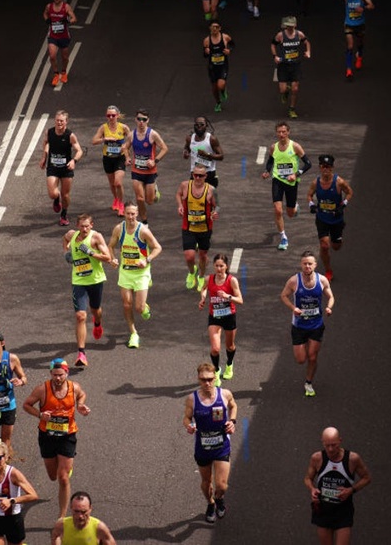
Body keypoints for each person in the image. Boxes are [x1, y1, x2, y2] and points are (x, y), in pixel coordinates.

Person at [22, 358, 92, 518]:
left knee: (63, 478)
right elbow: (26, 405)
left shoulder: (74, 387)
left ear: (67, 373)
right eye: (55, 375)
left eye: (61, 375)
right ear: (50, 374)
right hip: (47, 436)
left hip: (68, 435)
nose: (58, 378)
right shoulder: (42, 389)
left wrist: (80, 405)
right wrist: (40, 415)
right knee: (53, 476)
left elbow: (82, 394)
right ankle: (64, 469)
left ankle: (62, 516)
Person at [183, 362, 238, 523]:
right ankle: (211, 503)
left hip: (221, 446)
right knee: (206, 483)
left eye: (209, 379)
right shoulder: (192, 399)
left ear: (215, 378)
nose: (207, 383)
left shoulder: (225, 394)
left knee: (222, 485)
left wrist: (232, 421)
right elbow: (186, 418)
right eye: (203, 380)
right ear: (198, 379)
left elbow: (233, 406)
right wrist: (189, 426)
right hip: (203, 448)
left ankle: (219, 498)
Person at [108, 202, 163, 348]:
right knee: (127, 304)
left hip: (141, 273)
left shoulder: (143, 231)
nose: (130, 217)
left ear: (137, 214)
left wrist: (147, 260)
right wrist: (112, 259)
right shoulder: (119, 229)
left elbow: (157, 247)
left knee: (139, 308)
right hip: (125, 271)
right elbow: (110, 246)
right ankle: (133, 333)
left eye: (133, 214)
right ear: (124, 213)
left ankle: (144, 307)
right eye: (128, 213)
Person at [280, 250, 334, 397]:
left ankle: (308, 383)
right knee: (300, 360)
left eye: (310, 263)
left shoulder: (322, 280)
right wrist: (293, 308)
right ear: (301, 265)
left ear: (315, 265)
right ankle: (303, 349)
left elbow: (331, 296)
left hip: (316, 325)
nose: (307, 266)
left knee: (313, 357)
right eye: (305, 264)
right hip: (299, 326)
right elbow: (283, 295)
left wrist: (329, 307)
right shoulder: (294, 281)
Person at [305, 427, 372, 544]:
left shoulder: (352, 459)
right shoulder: (317, 458)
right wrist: (312, 489)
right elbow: (307, 478)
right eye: (327, 445)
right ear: (322, 442)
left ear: (340, 441)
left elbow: (367, 478)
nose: (330, 449)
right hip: (323, 510)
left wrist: (351, 490)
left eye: (334, 445)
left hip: (343, 511)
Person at [63, 213, 113, 367]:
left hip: (95, 280)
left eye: (87, 226)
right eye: (82, 226)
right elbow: (65, 239)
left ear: (92, 225)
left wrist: (90, 252)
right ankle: (81, 353)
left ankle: (97, 323)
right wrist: (67, 253)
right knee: (80, 316)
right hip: (79, 281)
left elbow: (108, 257)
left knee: (95, 309)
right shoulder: (72, 235)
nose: (84, 229)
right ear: (77, 226)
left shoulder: (96, 237)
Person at [261, 121, 312, 250]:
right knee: (278, 210)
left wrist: (296, 174)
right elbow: (270, 161)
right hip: (277, 180)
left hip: (291, 182)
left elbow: (308, 164)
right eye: (279, 132)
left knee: (290, 213)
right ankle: (283, 237)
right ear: (276, 133)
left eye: (284, 132)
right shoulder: (273, 147)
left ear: (288, 132)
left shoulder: (295, 146)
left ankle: (295, 207)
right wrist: (267, 171)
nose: (281, 134)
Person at [307, 154, 353, 281]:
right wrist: (312, 205)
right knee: (324, 245)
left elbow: (349, 192)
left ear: (332, 168)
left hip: (336, 219)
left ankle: (337, 237)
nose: (326, 169)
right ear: (320, 167)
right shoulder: (316, 183)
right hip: (322, 218)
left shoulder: (339, 182)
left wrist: (343, 205)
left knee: (336, 247)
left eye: (328, 166)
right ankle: (328, 270)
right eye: (323, 166)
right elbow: (309, 195)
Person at [198, 253, 243, 382]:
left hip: (229, 316)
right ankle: (216, 371)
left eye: (221, 266)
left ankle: (229, 364)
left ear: (226, 266)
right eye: (216, 266)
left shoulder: (232, 280)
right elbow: (204, 289)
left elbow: (240, 300)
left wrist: (227, 296)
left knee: (230, 346)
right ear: (213, 266)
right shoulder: (209, 278)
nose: (219, 269)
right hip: (214, 316)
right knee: (215, 349)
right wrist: (203, 298)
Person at [177, 164, 220, 290]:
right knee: (189, 256)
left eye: (200, 176)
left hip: (204, 228)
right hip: (188, 227)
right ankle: (192, 272)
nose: (197, 178)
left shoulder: (211, 190)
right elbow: (178, 194)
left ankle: (201, 276)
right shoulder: (185, 185)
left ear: (205, 176)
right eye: (195, 175)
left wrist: (215, 212)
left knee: (202, 256)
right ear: (192, 175)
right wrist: (180, 205)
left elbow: (217, 205)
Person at [40, 110, 84, 226]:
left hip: (66, 169)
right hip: (53, 167)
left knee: (65, 195)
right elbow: (46, 143)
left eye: (61, 121)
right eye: (57, 120)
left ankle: (64, 214)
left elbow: (79, 151)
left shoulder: (70, 135)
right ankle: (56, 199)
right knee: (52, 194)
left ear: (66, 122)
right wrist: (44, 157)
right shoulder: (49, 132)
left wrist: (74, 161)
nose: (59, 123)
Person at [126, 109, 169, 223]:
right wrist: (127, 158)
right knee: (140, 199)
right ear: (135, 120)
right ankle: (144, 222)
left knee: (150, 201)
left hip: (150, 172)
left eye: (144, 119)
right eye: (139, 119)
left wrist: (155, 161)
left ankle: (154, 190)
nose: (141, 122)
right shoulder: (132, 134)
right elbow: (125, 147)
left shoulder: (152, 134)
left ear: (147, 120)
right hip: (136, 171)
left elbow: (164, 148)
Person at [92, 106, 131, 217]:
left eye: (113, 115)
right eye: (108, 115)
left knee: (118, 183)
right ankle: (116, 199)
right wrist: (105, 139)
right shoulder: (103, 128)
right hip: (108, 158)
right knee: (112, 183)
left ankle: (121, 205)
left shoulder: (123, 127)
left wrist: (126, 148)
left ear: (117, 116)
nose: (111, 117)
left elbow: (131, 140)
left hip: (120, 158)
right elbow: (94, 141)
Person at [271, 16, 311, 119]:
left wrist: (308, 52)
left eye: (291, 26)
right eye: (288, 26)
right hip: (283, 65)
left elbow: (307, 42)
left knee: (295, 89)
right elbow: (273, 45)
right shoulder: (280, 35)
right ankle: (286, 91)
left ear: (295, 25)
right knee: (282, 90)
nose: (289, 27)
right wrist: (275, 56)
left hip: (295, 65)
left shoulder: (299, 34)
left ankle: (292, 109)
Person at [336, 0, 374, 78]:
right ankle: (349, 70)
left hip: (360, 24)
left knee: (360, 43)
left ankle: (359, 56)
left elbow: (372, 5)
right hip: (349, 24)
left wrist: (363, 8)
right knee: (350, 46)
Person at [51, 491, 118, 545]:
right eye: (76, 511)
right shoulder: (61, 525)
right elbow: (55, 537)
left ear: (90, 509)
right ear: (71, 508)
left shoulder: (99, 528)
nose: (80, 516)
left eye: (83, 512)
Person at [44, 0, 78, 87]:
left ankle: (63, 72)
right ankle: (56, 74)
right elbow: (45, 14)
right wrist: (47, 20)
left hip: (64, 36)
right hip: (53, 36)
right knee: (52, 56)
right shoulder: (49, 6)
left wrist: (68, 21)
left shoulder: (66, 7)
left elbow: (74, 18)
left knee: (65, 57)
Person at [184, 116, 224, 187]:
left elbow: (221, 156)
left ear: (206, 126)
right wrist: (186, 152)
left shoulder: (211, 139)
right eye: (197, 125)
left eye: (202, 124)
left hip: (209, 174)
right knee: (192, 193)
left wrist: (207, 154)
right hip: (195, 173)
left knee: (207, 194)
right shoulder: (190, 138)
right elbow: (187, 148)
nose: (199, 127)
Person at [203, 22, 234, 111]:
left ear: (220, 28)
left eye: (216, 27)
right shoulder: (206, 40)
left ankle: (223, 90)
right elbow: (204, 55)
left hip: (223, 65)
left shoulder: (225, 37)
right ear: (210, 28)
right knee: (214, 88)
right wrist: (206, 52)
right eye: (213, 27)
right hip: (212, 67)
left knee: (220, 84)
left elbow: (232, 45)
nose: (214, 29)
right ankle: (218, 103)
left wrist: (229, 50)